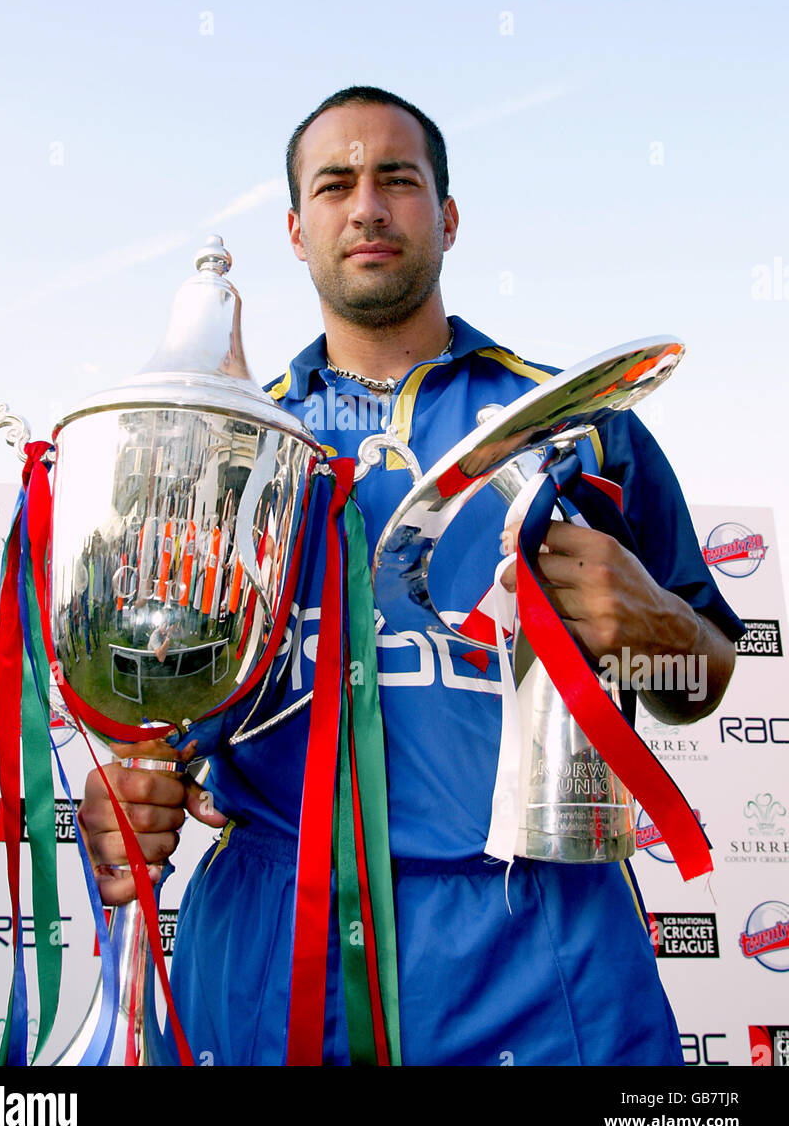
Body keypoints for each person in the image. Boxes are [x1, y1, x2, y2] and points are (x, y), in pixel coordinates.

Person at [78, 86, 744, 1066]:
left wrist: (661, 629)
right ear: (298, 230)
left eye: (397, 178)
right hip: (278, 936)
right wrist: (131, 792)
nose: (367, 206)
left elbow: (705, 674)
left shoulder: (579, 418)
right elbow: (166, 713)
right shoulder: (221, 446)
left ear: (447, 213)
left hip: (535, 940)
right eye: (335, 183)